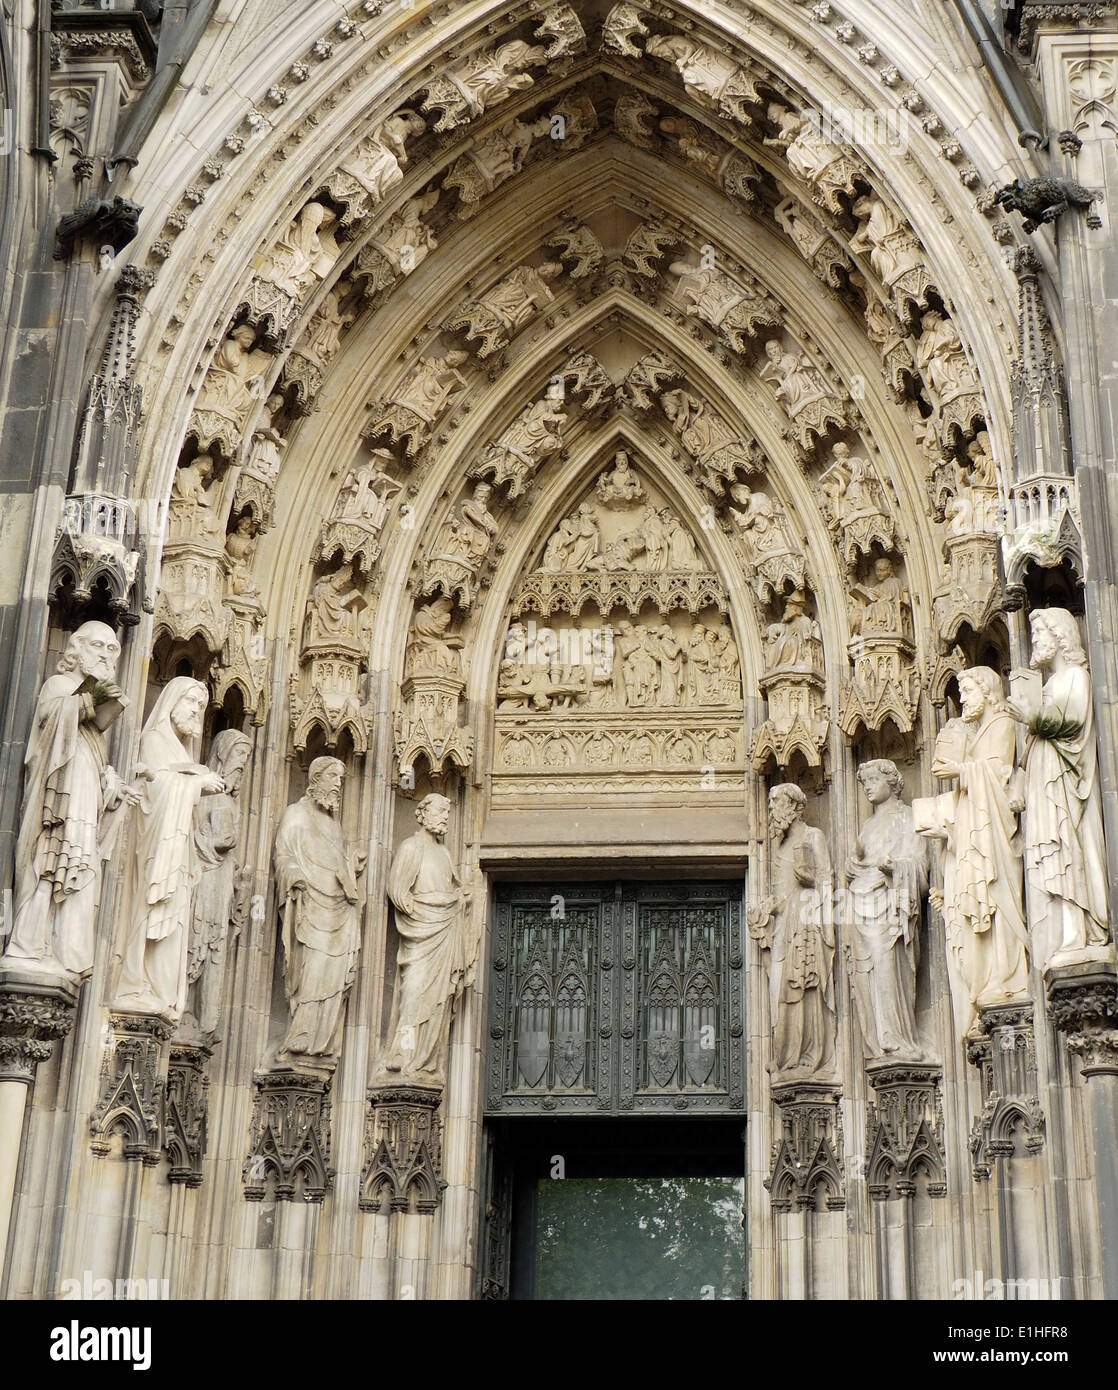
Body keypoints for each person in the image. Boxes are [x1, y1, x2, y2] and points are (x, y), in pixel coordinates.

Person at [5, 623, 138, 976]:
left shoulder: (92, 718)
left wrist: (111, 791)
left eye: (112, 650)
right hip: (58, 796)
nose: (106, 654)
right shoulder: (60, 686)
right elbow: (49, 724)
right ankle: (30, 944)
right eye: (98, 645)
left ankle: (66, 951)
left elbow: (92, 759)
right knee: (50, 860)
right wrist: (85, 699)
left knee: (79, 864)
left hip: (83, 798)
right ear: (75, 649)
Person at [114, 678, 224, 1022]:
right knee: (150, 914)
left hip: (175, 858)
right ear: (172, 701)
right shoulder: (153, 740)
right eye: (191, 701)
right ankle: (135, 983)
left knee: (172, 923)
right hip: (154, 855)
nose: (196, 710)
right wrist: (195, 784)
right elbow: (152, 790)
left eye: (201, 706)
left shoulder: (178, 750)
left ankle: (157, 990)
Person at [273, 757, 365, 1065]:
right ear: (316, 778)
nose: (338, 784)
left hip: (339, 909)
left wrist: (350, 864)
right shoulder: (296, 815)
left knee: (333, 978)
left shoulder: (333, 826)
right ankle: (301, 1032)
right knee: (312, 973)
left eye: (341, 779)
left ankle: (322, 1039)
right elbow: (284, 855)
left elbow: (335, 863)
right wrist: (295, 877)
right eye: (334, 777)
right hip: (312, 907)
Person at [379, 794, 469, 1086]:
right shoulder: (411, 847)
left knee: (438, 1001)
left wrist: (459, 899)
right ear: (422, 813)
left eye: (447, 812)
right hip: (422, 935)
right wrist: (429, 909)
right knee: (414, 993)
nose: (444, 817)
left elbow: (454, 891)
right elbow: (397, 891)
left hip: (442, 935)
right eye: (440, 811)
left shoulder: (444, 854)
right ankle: (405, 1055)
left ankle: (426, 1060)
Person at [844, 760, 928, 1059]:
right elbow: (860, 865)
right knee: (865, 974)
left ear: (891, 782)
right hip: (862, 905)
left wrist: (896, 868)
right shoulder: (867, 826)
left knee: (888, 967)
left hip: (890, 908)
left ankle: (898, 1035)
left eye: (872, 779)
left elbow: (920, 863)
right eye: (863, 781)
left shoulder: (907, 818)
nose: (866, 785)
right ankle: (878, 1039)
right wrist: (853, 867)